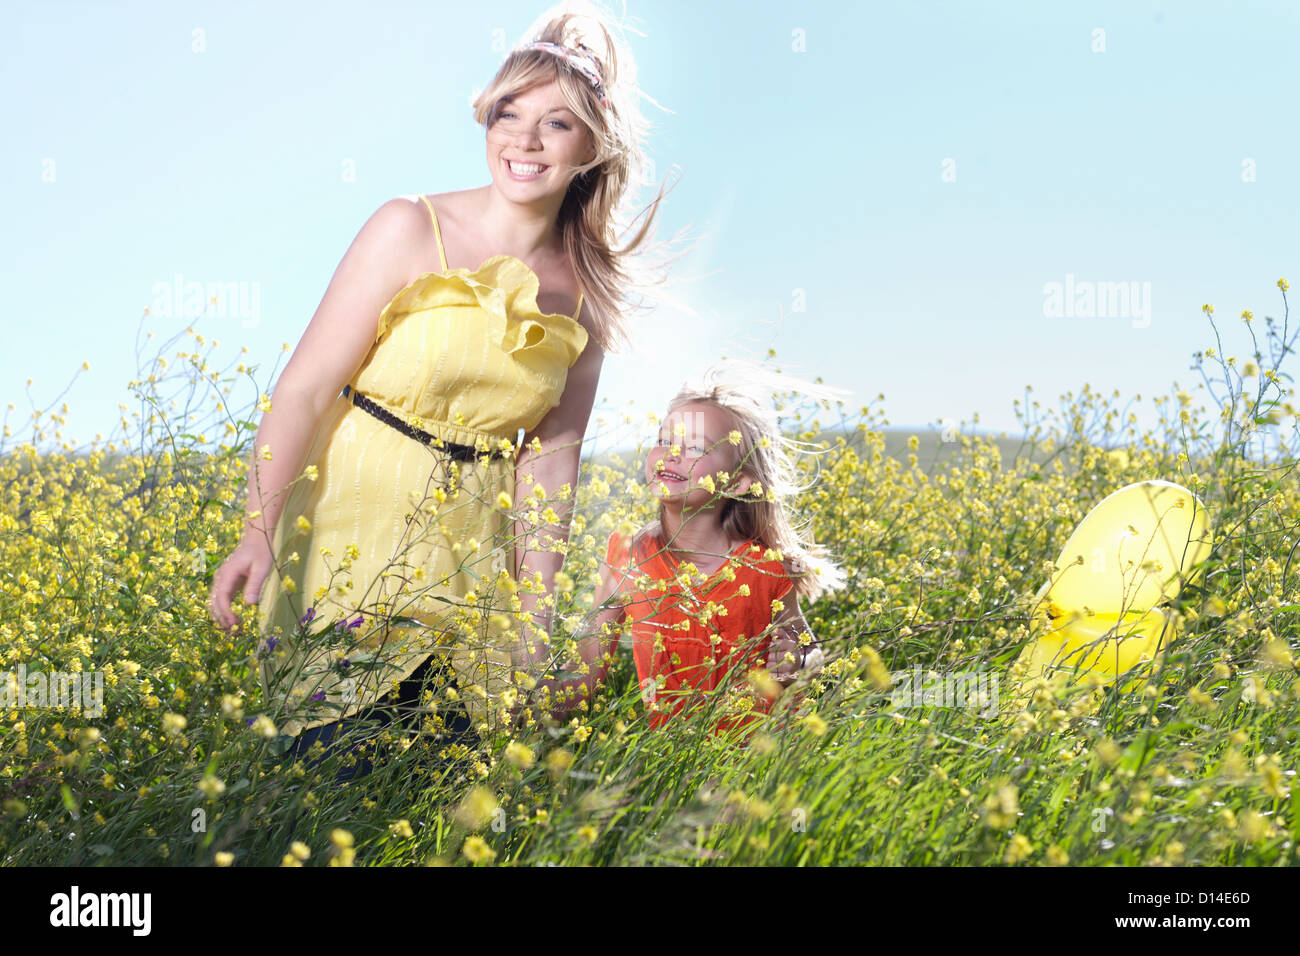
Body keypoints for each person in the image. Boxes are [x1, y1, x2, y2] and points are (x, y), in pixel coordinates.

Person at [206, 5, 668, 779]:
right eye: (508, 113)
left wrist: (534, 617)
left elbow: (551, 465)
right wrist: (259, 528)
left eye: (556, 124)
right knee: (334, 770)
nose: (522, 139)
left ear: (592, 147)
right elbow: (308, 387)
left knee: (435, 794)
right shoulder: (407, 228)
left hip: (470, 567)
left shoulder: (589, 293)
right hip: (349, 544)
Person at [538, 364, 845, 734]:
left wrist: (801, 661)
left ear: (740, 481)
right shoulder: (628, 557)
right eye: (665, 440)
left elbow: (809, 653)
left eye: (696, 447)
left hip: (762, 756)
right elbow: (584, 675)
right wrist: (522, 712)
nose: (673, 454)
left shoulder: (766, 570)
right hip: (672, 763)